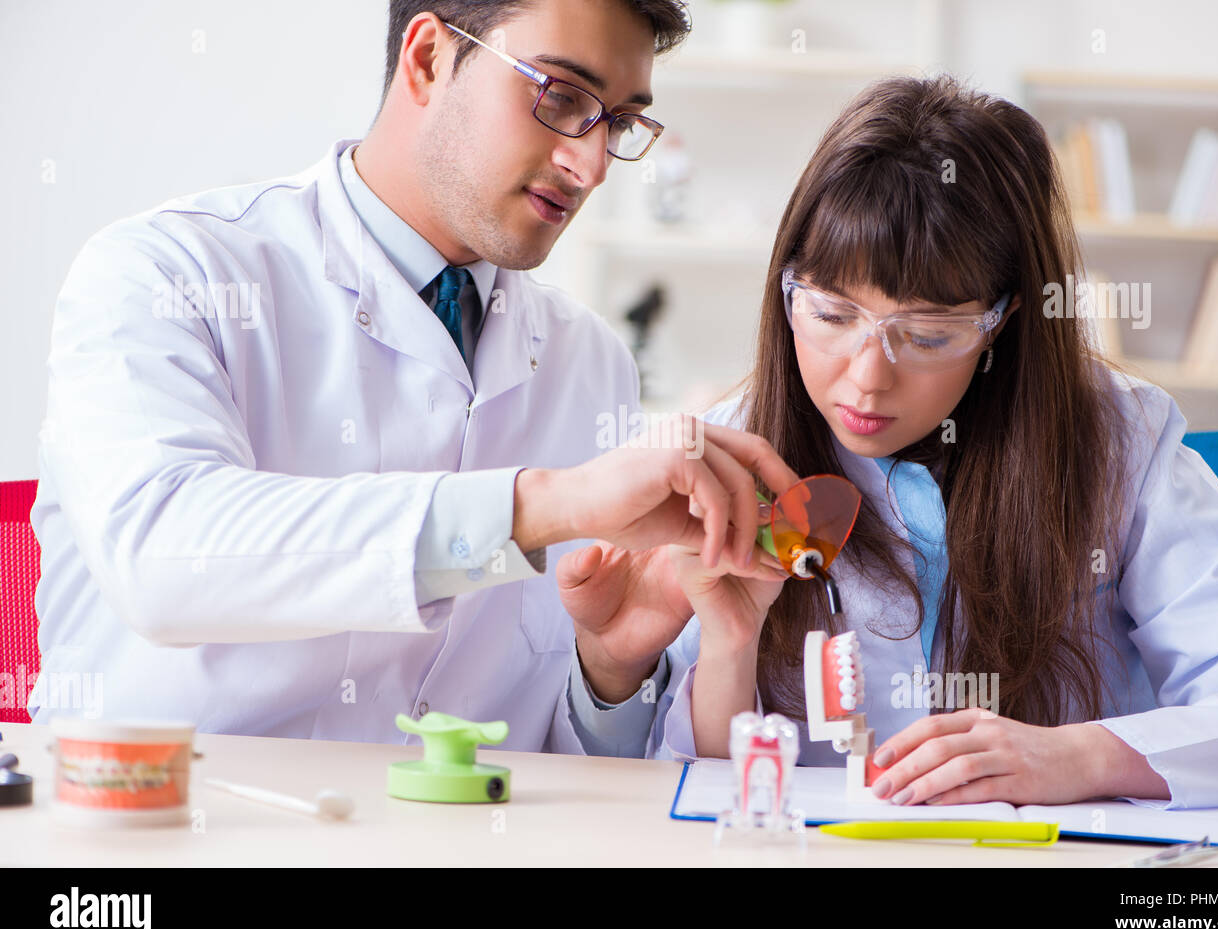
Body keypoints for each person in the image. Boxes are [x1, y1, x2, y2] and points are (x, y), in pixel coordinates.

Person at [28, 0, 799, 751]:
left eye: (620, 122)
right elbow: (163, 555)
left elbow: (563, 775)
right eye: (562, 97)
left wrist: (611, 670)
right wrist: (538, 505)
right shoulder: (169, 272)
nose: (591, 163)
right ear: (428, 57)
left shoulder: (589, 361)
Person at [559, 75, 1218, 809]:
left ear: (1000, 325)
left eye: (927, 334)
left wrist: (1079, 755)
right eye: (831, 315)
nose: (868, 378)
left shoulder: (1121, 436)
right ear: (787, 291)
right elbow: (695, 791)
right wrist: (727, 648)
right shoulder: (733, 450)